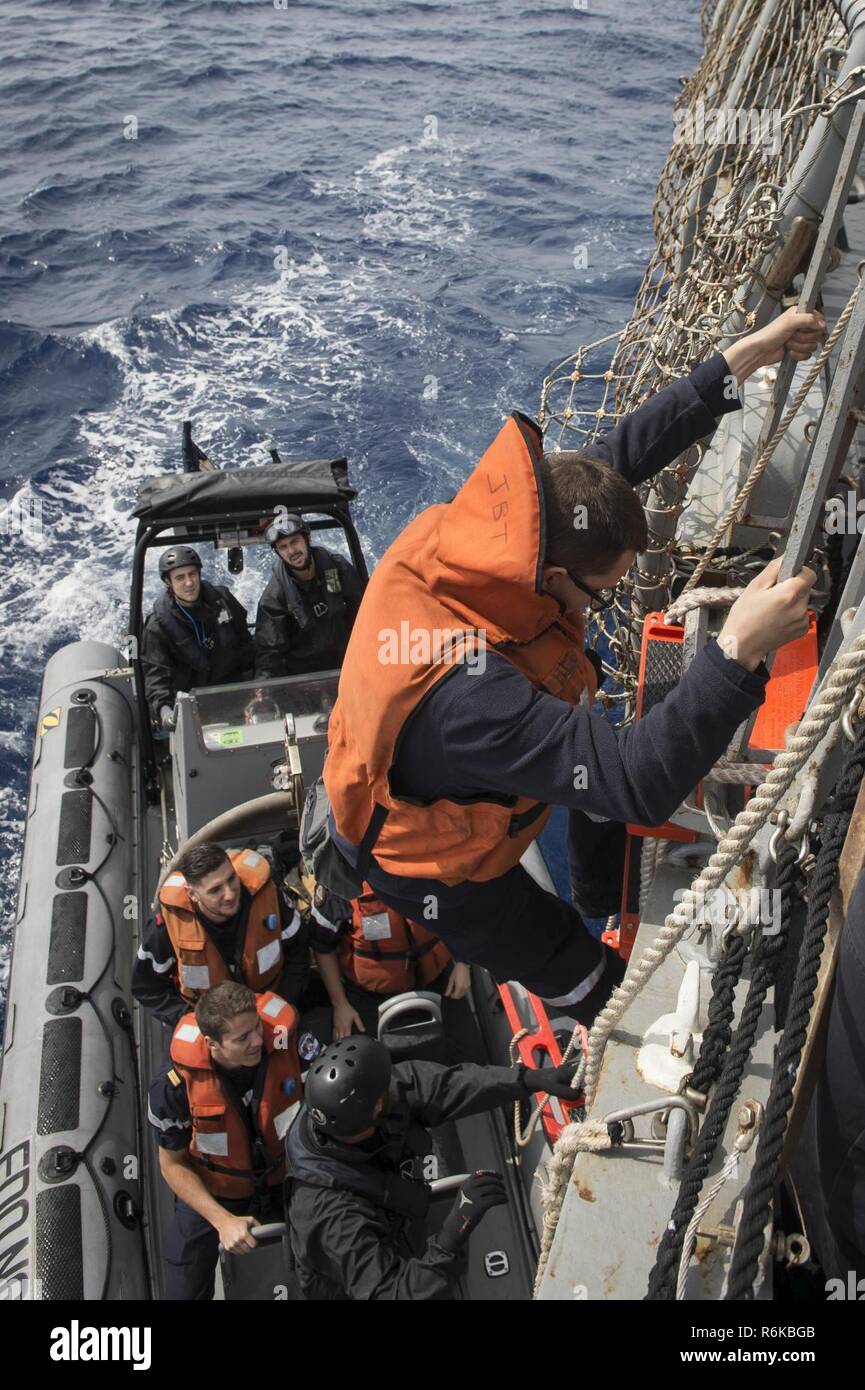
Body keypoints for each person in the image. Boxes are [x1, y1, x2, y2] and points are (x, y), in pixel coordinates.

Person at [321, 307, 825, 1023]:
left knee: (590, 781)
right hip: (438, 864)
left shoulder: (500, 531)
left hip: (473, 744)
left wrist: (737, 363)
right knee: (571, 965)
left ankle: (598, 891)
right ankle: (597, 1019)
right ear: (553, 573)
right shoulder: (468, 700)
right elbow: (631, 781)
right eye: (603, 591)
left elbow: (613, 461)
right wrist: (737, 648)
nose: (608, 599)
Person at [286, 1033, 581, 1299]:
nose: (393, 1087)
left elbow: (443, 1087)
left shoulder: (358, 1107)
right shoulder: (332, 1218)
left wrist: (526, 1080)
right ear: (373, 1110)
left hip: (392, 1220)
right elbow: (392, 1293)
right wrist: (453, 1231)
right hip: (356, 1285)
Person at [148, 981, 310, 1300]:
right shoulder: (174, 1089)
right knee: (184, 1282)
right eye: (242, 1038)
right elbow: (172, 1165)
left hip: (290, 1175)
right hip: (219, 1189)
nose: (256, 1041)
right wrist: (222, 1221)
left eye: (255, 1029)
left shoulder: (287, 1042)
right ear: (212, 1044)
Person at [133, 842, 311, 1029]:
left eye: (232, 879)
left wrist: (284, 1002)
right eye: (215, 890)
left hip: (271, 1011)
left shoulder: (266, 894)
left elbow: (299, 950)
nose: (230, 894)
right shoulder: (169, 925)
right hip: (213, 1030)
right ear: (192, 894)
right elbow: (147, 988)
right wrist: (196, 1023)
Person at [308, 879, 471, 1040]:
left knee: (469, 1054)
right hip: (369, 999)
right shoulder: (339, 878)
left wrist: (462, 962)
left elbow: (456, 909)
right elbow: (322, 945)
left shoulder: (429, 861)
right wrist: (340, 1004)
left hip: (441, 981)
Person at [141, 545, 254, 729]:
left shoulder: (223, 600)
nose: (188, 583)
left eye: (192, 574)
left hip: (235, 695)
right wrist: (166, 712)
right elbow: (156, 679)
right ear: (168, 582)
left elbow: (246, 644)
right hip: (190, 709)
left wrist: (258, 686)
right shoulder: (157, 628)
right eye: (180, 577)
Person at [254, 512, 363, 679]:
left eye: (294, 542)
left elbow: (364, 610)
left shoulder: (338, 568)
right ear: (278, 552)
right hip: (303, 679)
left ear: (307, 539)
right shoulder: (274, 598)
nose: (291, 551)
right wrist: (263, 690)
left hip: (348, 664)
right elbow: (269, 653)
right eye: (283, 547)